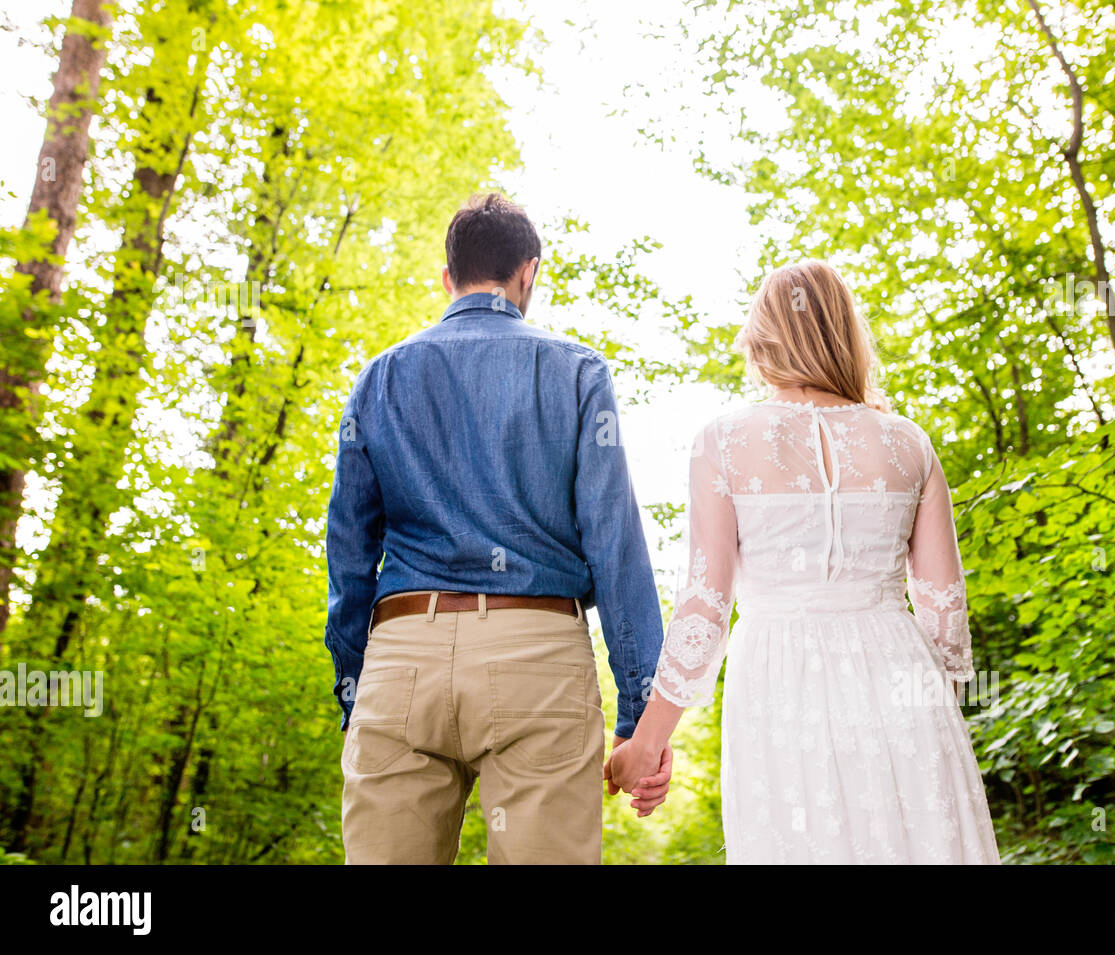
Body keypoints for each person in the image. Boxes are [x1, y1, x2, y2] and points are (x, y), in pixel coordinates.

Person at [605, 260, 1001, 864]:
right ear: (848, 334)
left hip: (777, 677)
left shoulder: (725, 441)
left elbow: (706, 608)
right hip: (897, 669)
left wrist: (647, 740)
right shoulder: (909, 444)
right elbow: (945, 611)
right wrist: (934, 723)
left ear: (764, 337)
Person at [325, 193, 669, 864]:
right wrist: (640, 713)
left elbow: (348, 552)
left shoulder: (379, 378)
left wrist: (356, 684)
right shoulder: (577, 372)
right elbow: (615, 542)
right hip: (535, 660)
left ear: (447, 278)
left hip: (402, 655)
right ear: (529, 273)